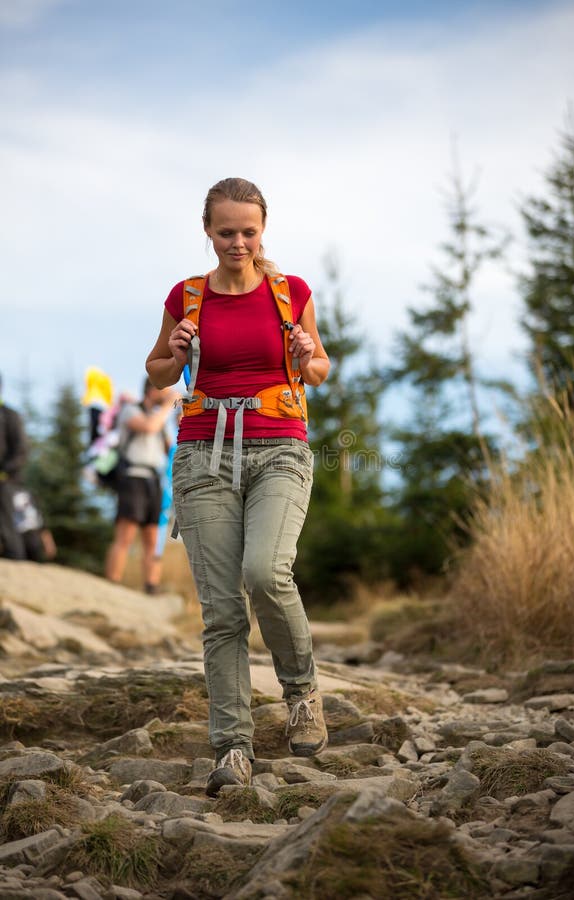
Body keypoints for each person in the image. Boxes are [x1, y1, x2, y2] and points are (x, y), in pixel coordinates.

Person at [146, 177, 331, 796]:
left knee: (265, 572)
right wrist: (173, 351)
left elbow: (320, 371)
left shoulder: (290, 292)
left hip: (280, 445)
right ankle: (232, 749)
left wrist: (307, 352)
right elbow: (157, 373)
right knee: (222, 611)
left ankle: (302, 693)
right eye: (226, 231)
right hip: (202, 452)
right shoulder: (187, 296)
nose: (238, 241)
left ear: (263, 229)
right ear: (208, 230)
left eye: (248, 231)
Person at [104, 378, 178, 593]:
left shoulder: (160, 417)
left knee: (153, 537)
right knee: (125, 535)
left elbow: (168, 447)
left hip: (154, 480)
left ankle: (151, 586)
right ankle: (112, 583)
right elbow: (148, 427)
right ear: (152, 389)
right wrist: (168, 405)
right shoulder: (130, 410)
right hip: (133, 477)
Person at [0, 374, 27, 560]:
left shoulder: (10, 416)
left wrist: (5, 471)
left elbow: (21, 450)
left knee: (6, 522)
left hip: (5, 481)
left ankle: (15, 558)